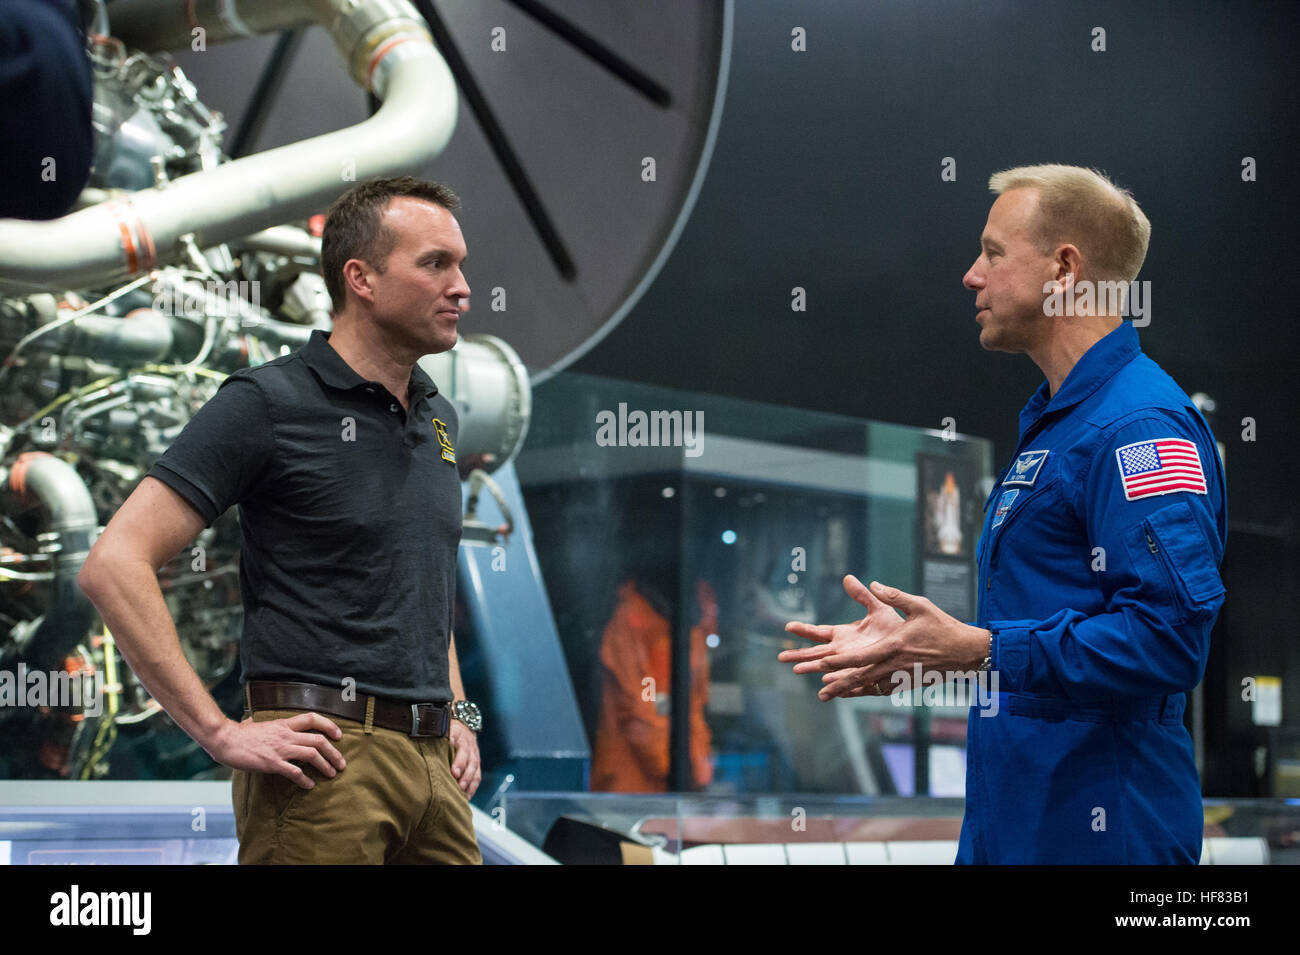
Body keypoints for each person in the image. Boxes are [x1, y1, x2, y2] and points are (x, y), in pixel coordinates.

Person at [779, 164, 1226, 864]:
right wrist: (933, 657)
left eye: (992, 252)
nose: (969, 275)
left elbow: (1168, 639)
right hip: (1018, 828)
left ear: (1065, 267)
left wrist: (979, 650)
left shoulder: (1140, 426)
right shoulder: (1058, 427)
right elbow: (1046, 646)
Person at [78, 176, 484, 864]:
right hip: (322, 766)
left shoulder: (437, 417)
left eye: (462, 264)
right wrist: (218, 732)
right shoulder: (267, 402)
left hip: (435, 767)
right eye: (435, 263)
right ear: (361, 277)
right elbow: (113, 563)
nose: (463, 287)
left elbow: (428, 588)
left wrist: (461, 716)